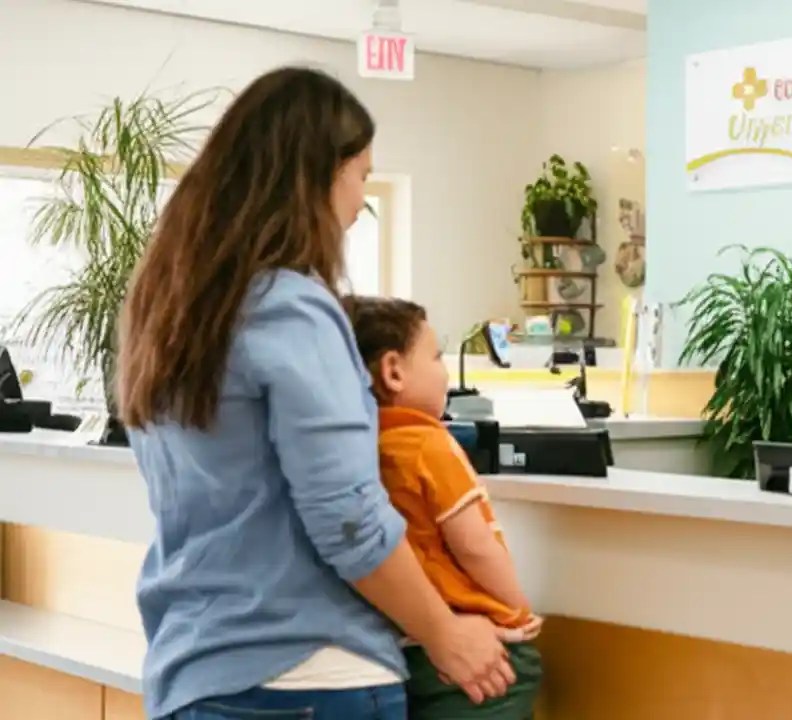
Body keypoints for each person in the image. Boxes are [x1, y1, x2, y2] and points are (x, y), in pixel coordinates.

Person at [115, 67, 514, 720]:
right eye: (360, 175)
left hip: (193, 672)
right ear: (315, 177)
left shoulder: (163, 314)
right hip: (307, 675)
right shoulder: (292, 308)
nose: (362, 203)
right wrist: (446, 633)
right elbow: (348, 520)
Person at [343, 295, 544, 720]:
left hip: (401, 643)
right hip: (473, 644)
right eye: (435, 357)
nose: (445, 373)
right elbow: (474, 545)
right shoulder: (431, 445)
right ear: (393, 371)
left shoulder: (356, 451)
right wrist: (516, 610)